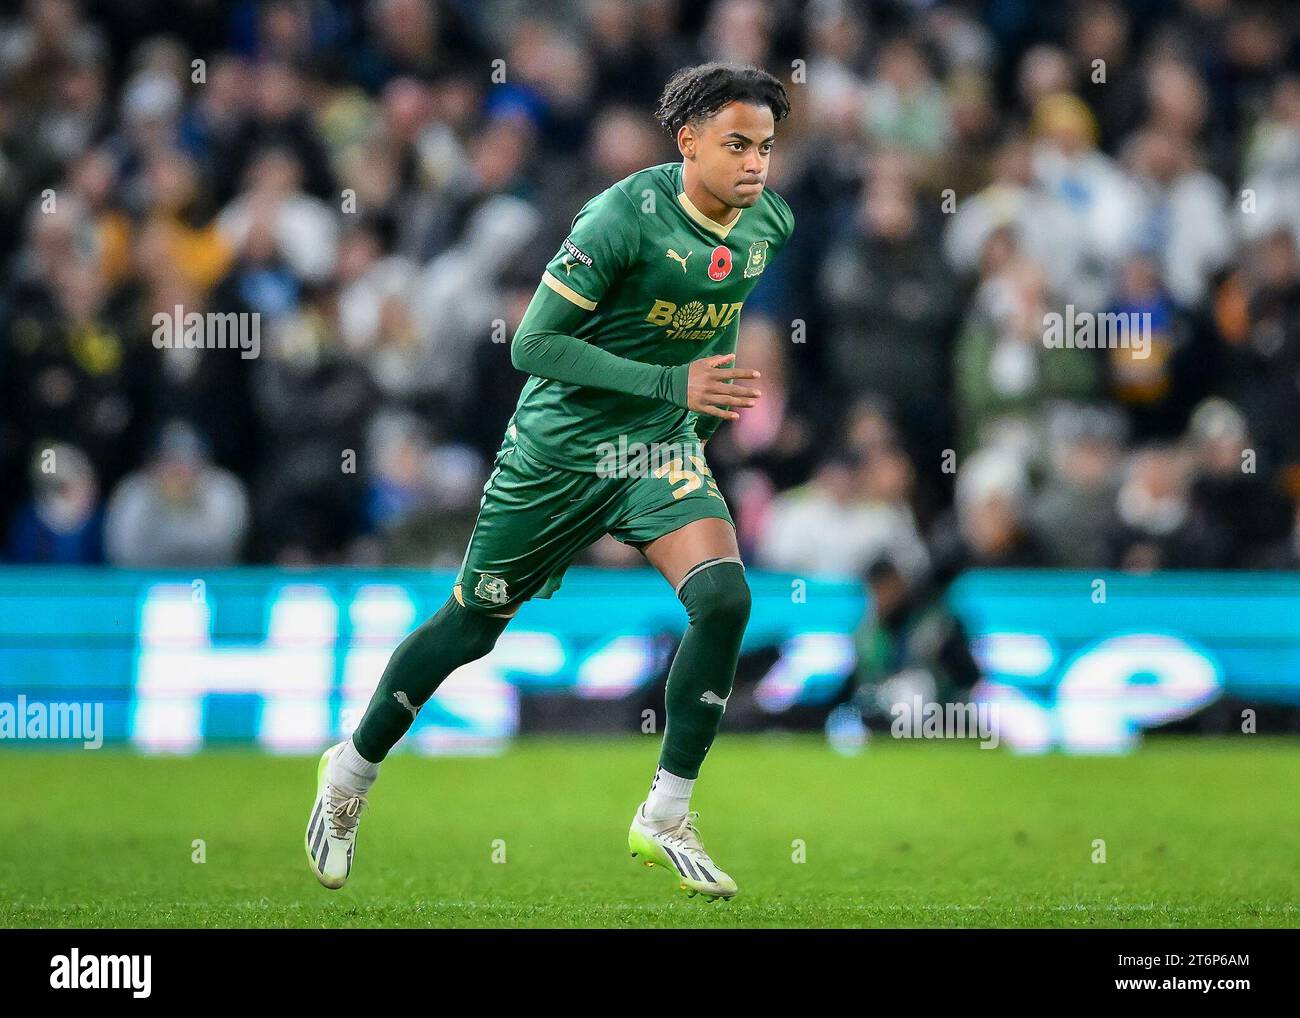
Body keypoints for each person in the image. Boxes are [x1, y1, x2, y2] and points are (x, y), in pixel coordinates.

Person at [305, 63, 795, 901]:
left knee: (723, 600)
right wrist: (672, 386)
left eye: (767, 147)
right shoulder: (618, 219)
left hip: (655, 451)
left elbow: (715, 321)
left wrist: (695, 422)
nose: (756, 164)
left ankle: (666, 812)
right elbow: (531, 345)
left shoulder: (766, 222)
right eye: (737, 144)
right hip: (558, 454)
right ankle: (350, 773)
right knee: (472, 628)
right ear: (688, 142)